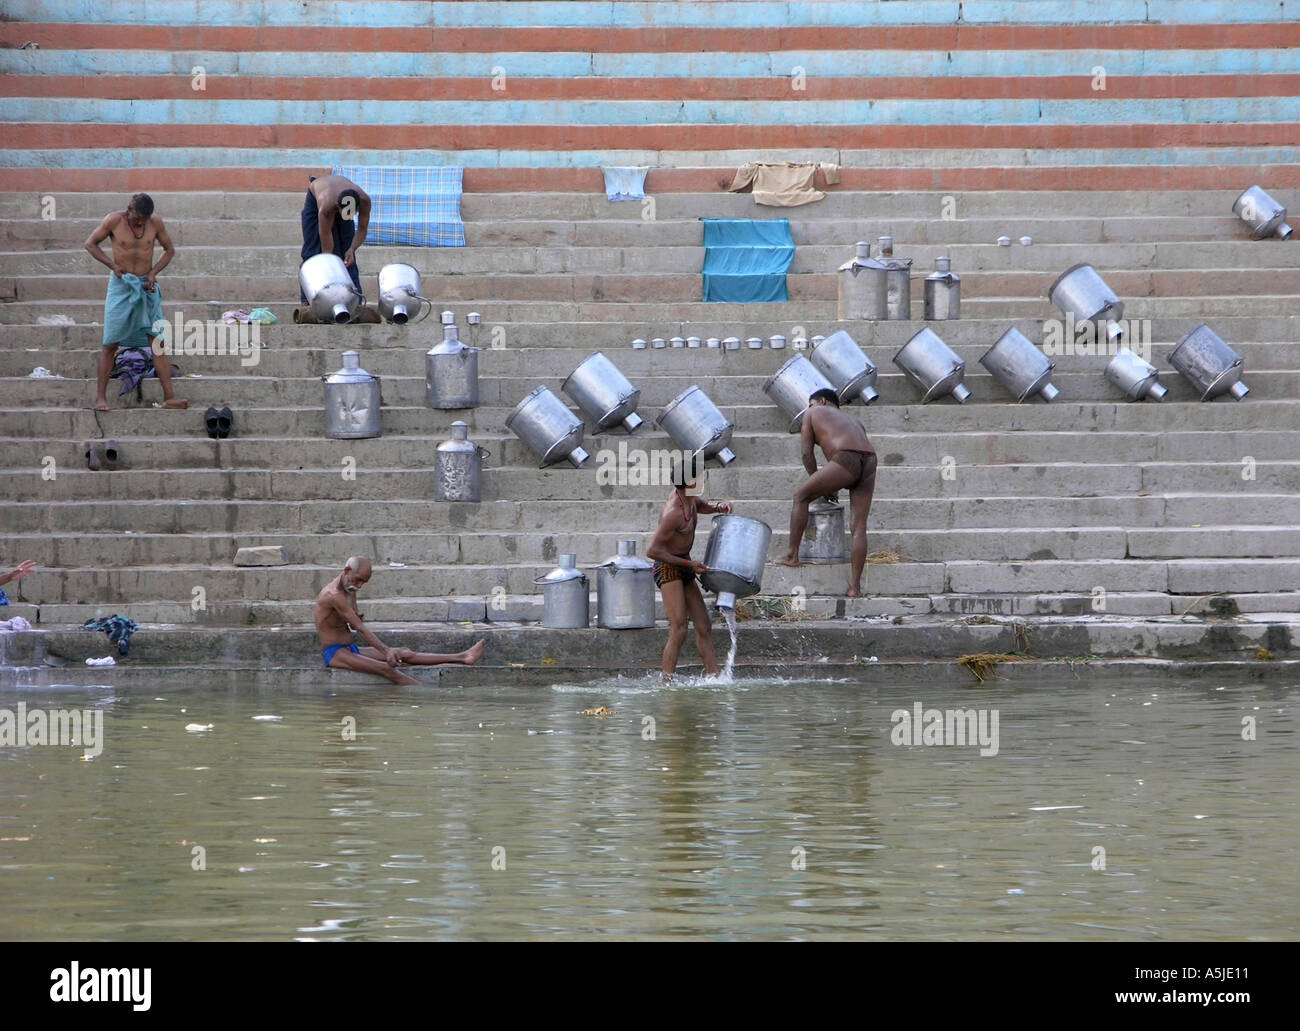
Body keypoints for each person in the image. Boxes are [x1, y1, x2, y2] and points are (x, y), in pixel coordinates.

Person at [84, 193, 188, 411]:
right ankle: (100, 399)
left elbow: (170, 250)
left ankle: (170, 397)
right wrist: (112, 266)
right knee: (111, 342)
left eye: (143, 221)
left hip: (146, 286)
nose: (140, 223)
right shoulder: (113, 220)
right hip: (121, 285)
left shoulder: (155, 222)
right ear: (128, 209)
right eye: (137, 219)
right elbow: (90, 244)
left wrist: (153, 273)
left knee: (156, 341)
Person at [315, 557, 485, 685]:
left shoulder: (350, 587)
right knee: (388, 669)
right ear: (347, 570)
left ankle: (463, 657)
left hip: (351, 649)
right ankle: (425, 694)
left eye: (363, 583)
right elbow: (359, 628)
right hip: (336, 653)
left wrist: (356, 616)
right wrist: (386, 650)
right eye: (358, 580)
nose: (359, 586)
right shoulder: (333, 595)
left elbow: (353, 623)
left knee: (405, 653)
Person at [775, 388, 878, 597]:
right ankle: (855, 587)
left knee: (801, 496)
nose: (809, 408)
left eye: (810, 403)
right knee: (859, 526)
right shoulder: (854, 420)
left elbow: (806, 454)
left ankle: (791, 554)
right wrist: (827, 484)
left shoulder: (813, 412)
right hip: (870, 460)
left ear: (821, 401)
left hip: (845, 457)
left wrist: (818, 481)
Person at [645, 454, 733, 680]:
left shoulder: (691, 498)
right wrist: (689, 564)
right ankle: (667, 682)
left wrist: (718, 507)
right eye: (701, 477)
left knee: (703, 624)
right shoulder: (672, 513)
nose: (704, 480)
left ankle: (715, 679)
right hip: (667, 567)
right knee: (680, 628)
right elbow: (653, 550)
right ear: (691, 482)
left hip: (685, 565)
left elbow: (701, 506)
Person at [301, 174, 371, 298]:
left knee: (347, 254)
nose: (348, 217)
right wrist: (328, 263)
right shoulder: (327, 206)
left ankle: (355, 298)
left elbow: (362, 229)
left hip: (340, 198)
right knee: (314, 251)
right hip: (318, 195)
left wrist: (351, 249)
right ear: (337, 206)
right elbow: (326, 236)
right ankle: (309, 299)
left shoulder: (364, 200)